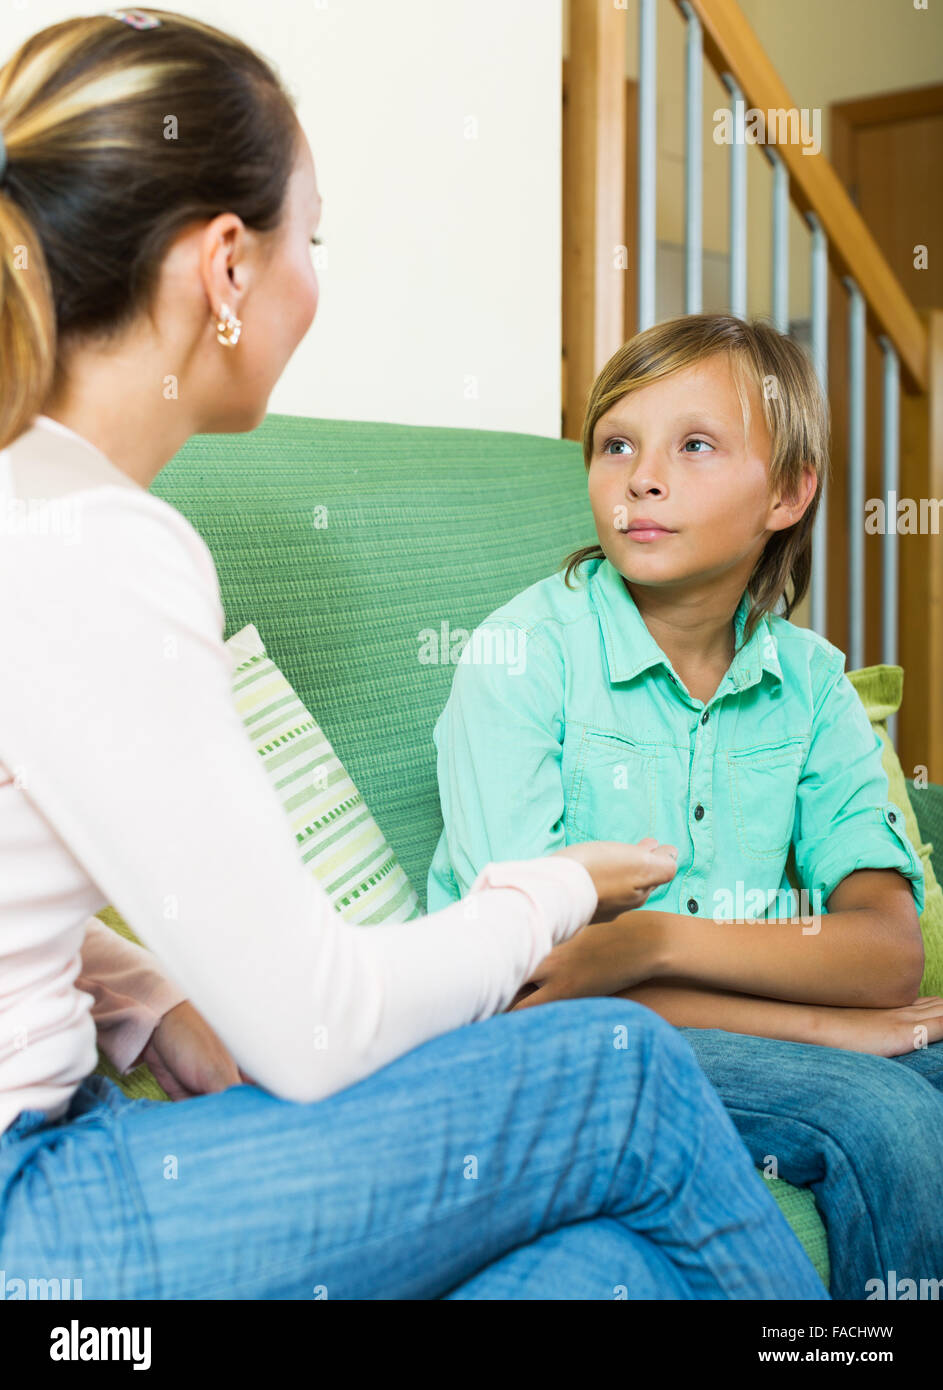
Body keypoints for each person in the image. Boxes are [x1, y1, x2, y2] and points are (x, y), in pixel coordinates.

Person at [0, 10, 828, 1300]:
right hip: (34, 1218)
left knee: (599, 1270)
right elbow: (319, 1026)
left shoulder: (28, 507)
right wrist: (552, 887)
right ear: (226, 265)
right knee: (619, 1068)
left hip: (57, 1169)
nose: (311, 282)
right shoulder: (100, 542)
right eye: (307, 239)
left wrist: (143, 1001)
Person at [428, 312, 943, 1301]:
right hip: (557, 1044)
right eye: (616, 443)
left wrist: (651, 938)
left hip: (681, 1005)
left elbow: (884, 953)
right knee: (885, 1117)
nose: (640, 478)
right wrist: (827, 1031)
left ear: (787, 493)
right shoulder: (522, 655)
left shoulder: (811, 684)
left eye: (694, 445)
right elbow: (541, 977)